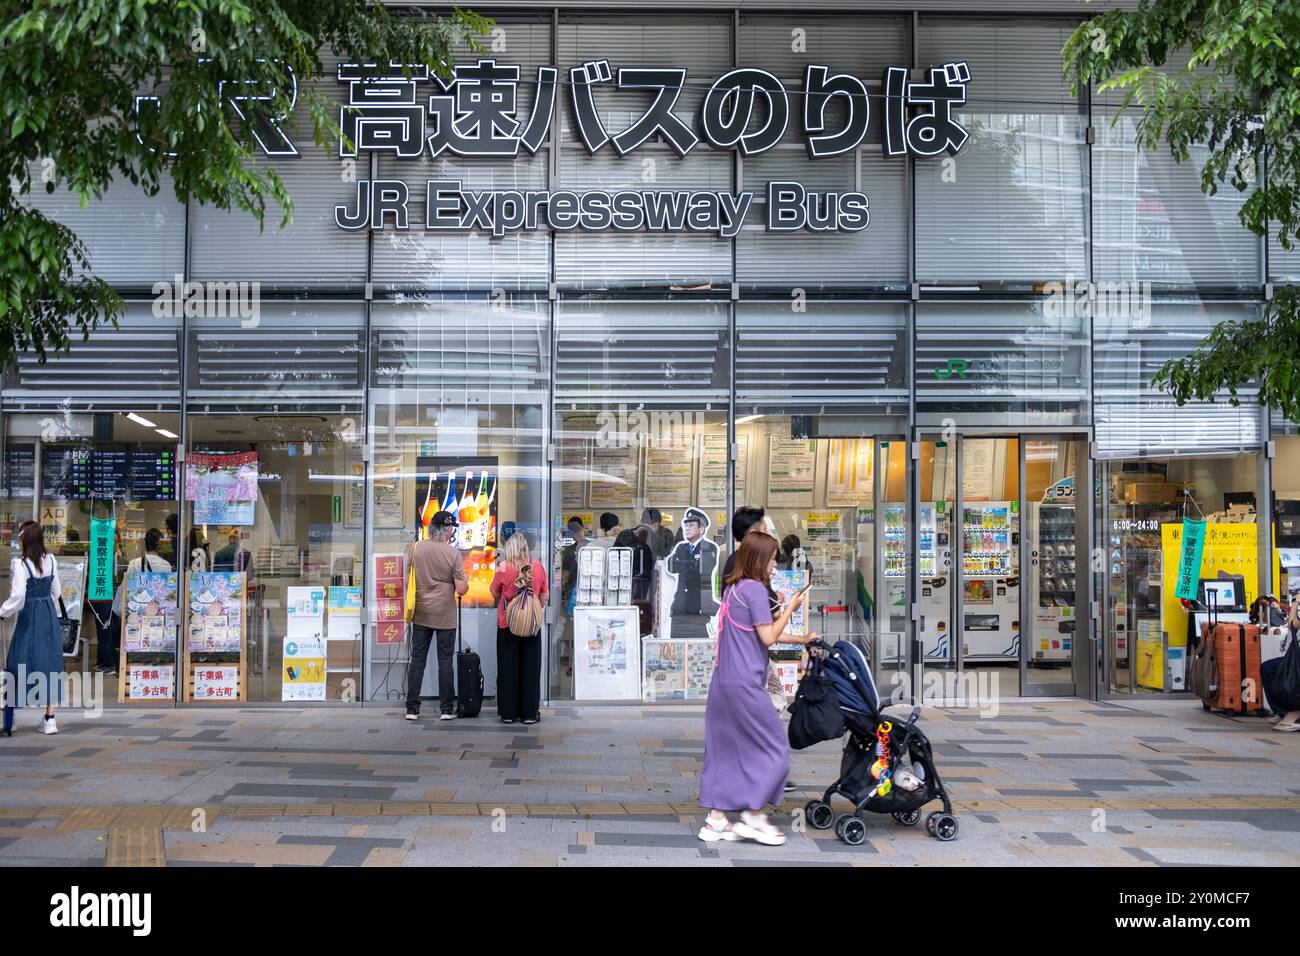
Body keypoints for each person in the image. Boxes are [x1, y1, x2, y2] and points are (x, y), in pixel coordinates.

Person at [698, 529, 817, 845]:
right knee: (774, 747)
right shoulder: (753, 591)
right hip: (745, 686)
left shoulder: (733, 589)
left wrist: (797, 633)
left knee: (726, 751)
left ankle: (717, 819)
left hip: (723, 684)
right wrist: (790, 608)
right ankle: (752, 815)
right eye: (773, 559)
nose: (775, 565)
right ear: (759, 559)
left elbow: (759, 632)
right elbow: (767, 637)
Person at [2, 521, 65, 736]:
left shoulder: (20, 564)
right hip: (48, 616)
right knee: (50, 664)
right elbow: (56, 592)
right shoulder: (51, 561)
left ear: (24, 540)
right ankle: (50, 719)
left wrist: (3, 611)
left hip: (28, 616)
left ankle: (12, 718)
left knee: (18, 660)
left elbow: (18, 597)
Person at [405, 511, 467, 721]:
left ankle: (412, 708)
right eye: (452, 529)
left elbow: (408, 580)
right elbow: (462, 589)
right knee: (445, 661)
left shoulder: (416, 548)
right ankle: (446, 709)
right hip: (445, 615)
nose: (452, 533)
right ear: (447, 530)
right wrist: (463, 580)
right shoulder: (453, 554)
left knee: (418, 660)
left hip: (421, 612)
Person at [490, 532, 548, 725]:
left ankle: (508, 713)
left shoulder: (503, 567)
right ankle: (529, 713)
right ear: (526, 547)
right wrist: (533, 610)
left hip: (508, 624)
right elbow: (545, 595)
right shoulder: (538, 566)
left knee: (508, 668)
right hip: (531, 625)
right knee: (531, 668)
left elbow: (494, 592)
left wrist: (509, 603)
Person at [103, 528, 174, 676]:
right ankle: (157, 666)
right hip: (158, 611)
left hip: (137, 613)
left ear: (145, 543)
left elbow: (127, 589)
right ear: (159, 544)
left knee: (139, 640)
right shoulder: (166, 565)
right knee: (156, 638)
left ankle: (137, 667)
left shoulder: (135, 564)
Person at [667, 507, 720, 638]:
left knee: (697, 650)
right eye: (686, 525)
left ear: (701, 529)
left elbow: (701, 571)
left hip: (699, 608)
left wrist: (683, 563)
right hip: (680, 607)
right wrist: (690, 563)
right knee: (677, 646)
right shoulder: (681, 546)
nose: (687, 528)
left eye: (691, 525)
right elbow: (671, 566)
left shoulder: (709, 547)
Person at [1264, 599, 1300, 731]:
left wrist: (1295, 603)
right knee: (1267, 668)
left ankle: (1293, 712)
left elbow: (1291, 624)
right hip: (1294, 655)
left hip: (1296, 657)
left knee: (1288, 679)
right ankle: (1281, 711)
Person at [721, 506, 766, 581]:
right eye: (765, 529)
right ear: (753, 532)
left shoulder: (736, 558)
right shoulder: (745, 561)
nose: (767, 534)